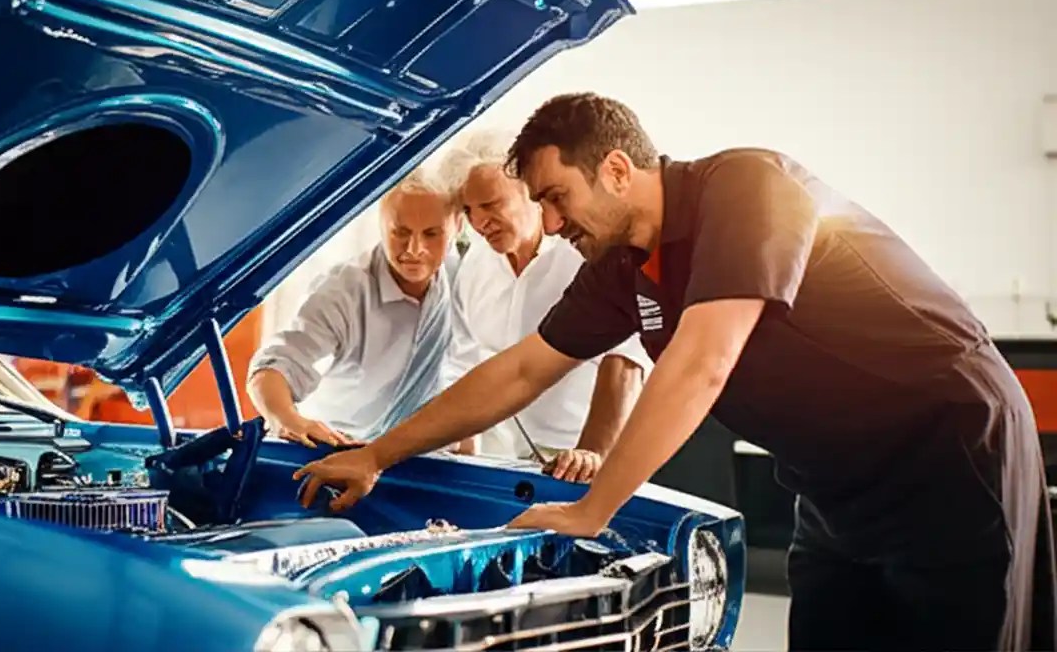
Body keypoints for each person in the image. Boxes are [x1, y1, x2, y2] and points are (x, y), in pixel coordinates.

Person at [292, 92, 1057, 651]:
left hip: (943, 456)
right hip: (835, 488)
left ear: (616, 169)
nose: (550, 224)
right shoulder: (622, 267)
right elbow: (519, 372)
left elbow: (702, 362)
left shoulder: (748, 187)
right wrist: (377, 453)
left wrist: (593, 508)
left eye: (557, 198)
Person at [441, 129, 653, 482]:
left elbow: (624, 363)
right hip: (501, 461)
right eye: (468, 210)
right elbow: (463, 362)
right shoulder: (472, 268)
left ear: (529, 191)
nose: (478, 223)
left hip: (583, 454)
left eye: (490, 205)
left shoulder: (584, 252)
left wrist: (592, 455)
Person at [247, 166, 473, 451]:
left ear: (458, 226)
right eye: (400, 232)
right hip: (341, 450)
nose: (415, 249)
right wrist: (287, 420)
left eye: (431, 234)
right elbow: (273, 367)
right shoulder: (343, 290)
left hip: (427, 458)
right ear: (381, 223)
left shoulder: (464, 278)